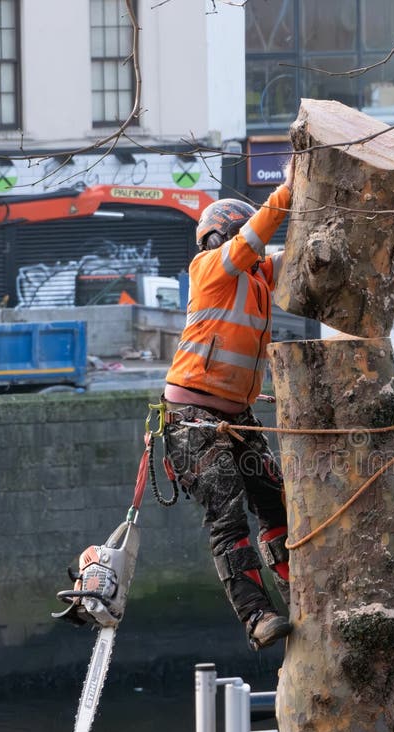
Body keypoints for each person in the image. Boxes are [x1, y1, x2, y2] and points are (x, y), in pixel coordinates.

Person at [162, 162, 295, 651]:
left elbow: (290, 255)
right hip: (192, 419)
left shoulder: (258, 280)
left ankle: (295, 587)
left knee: (275, 500)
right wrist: (287, 189)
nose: (254, 250)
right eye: (242, 238)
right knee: (228, 514)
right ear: (222, 236)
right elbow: (253, 242)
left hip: (235, 417)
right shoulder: (209, 268)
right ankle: (256, 615)